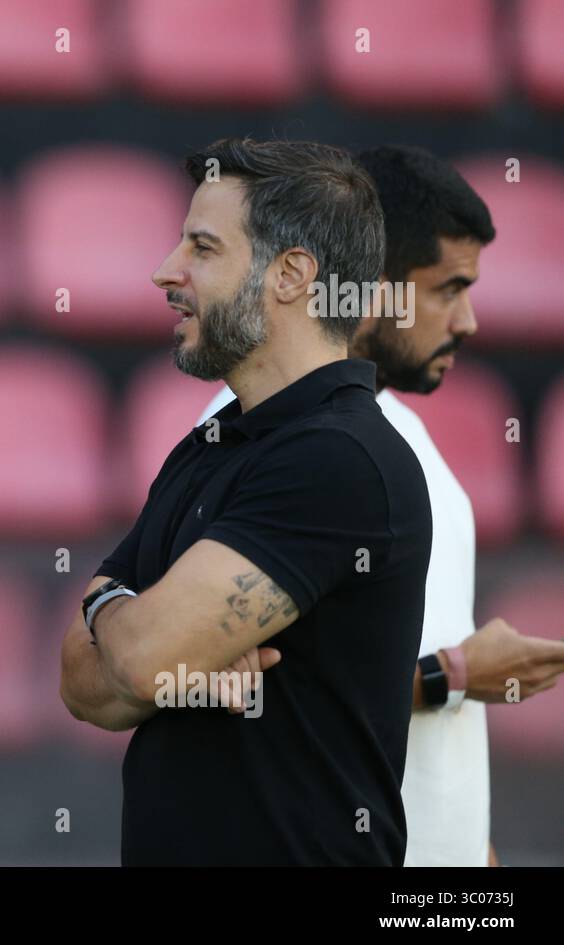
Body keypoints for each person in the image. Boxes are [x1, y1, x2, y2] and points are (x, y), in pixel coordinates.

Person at [59, 138, 433, 865]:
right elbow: (81, 687)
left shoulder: (340, 460)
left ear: (291, 275)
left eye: (202, 247)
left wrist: (111, 610)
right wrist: (168, 663)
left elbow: (133, 663)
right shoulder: (210, 444)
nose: (166, 272)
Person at [194, 145, 564, 866]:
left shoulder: (396, 431)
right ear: (373, 284)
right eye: (447, 289)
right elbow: (217, 689)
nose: (468, 322)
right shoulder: (255, 427)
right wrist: (452, 676)